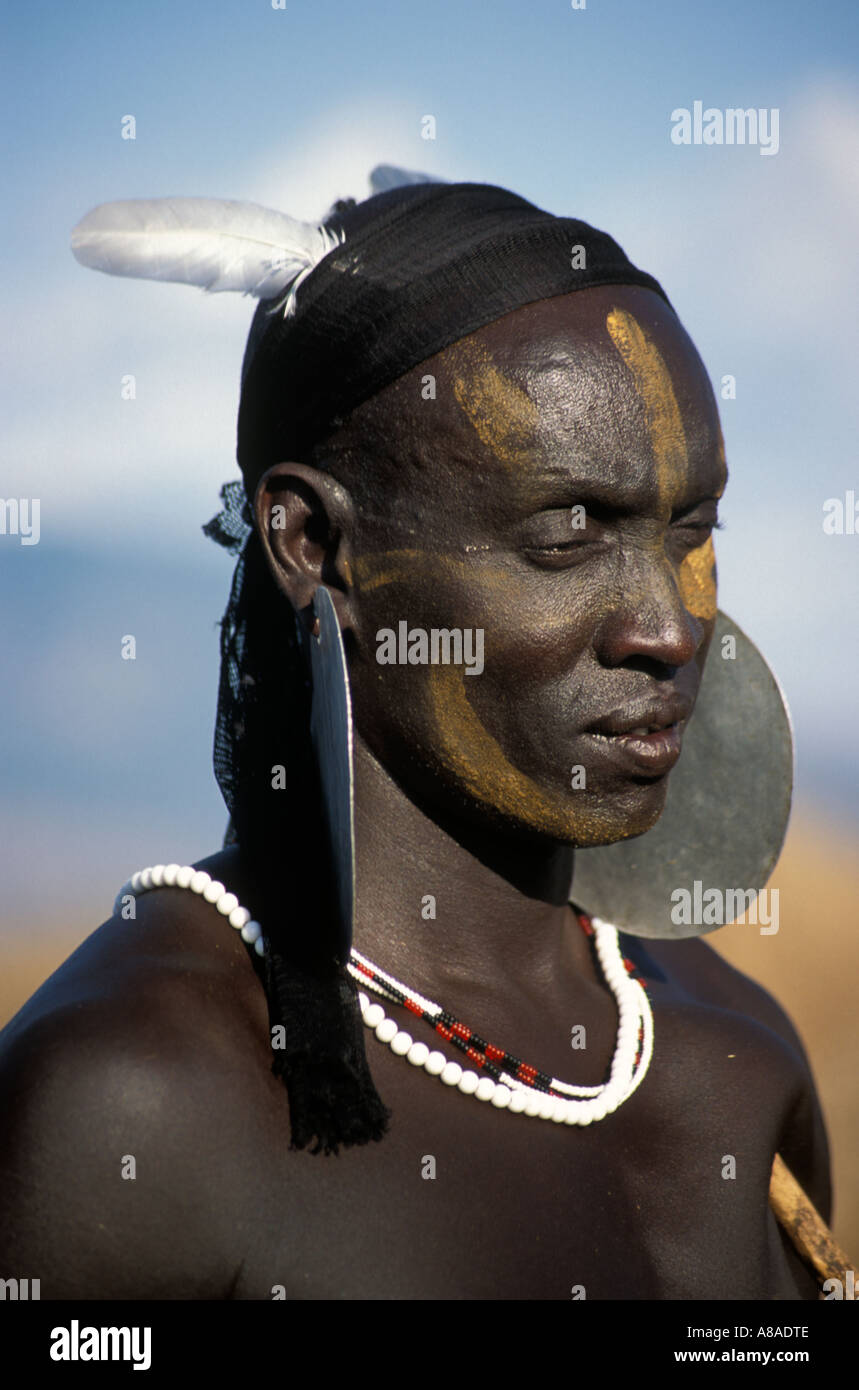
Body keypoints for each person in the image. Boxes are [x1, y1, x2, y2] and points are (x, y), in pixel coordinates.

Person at [0, 175, 831, 1300]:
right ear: (314, 546)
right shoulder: (137, 1098)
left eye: (689, 526)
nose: (669, 625)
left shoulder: (731, 1054)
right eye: (568, 538)